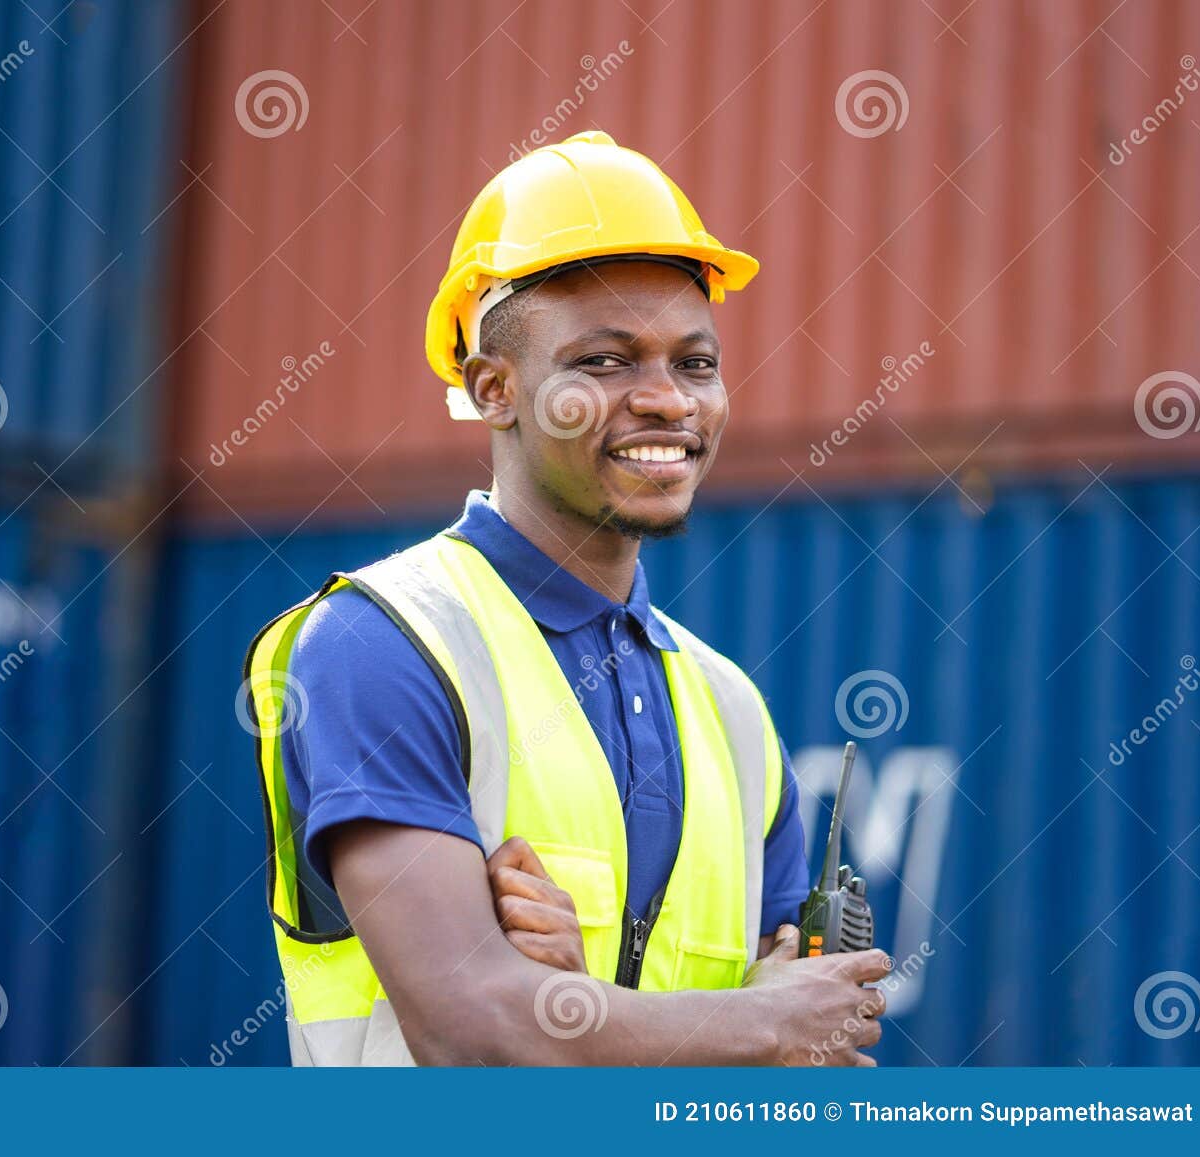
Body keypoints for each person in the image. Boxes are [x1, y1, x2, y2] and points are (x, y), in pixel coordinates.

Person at [245, 131, 889, 1066]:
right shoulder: (384, 643)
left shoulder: (734, 715)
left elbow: (811, 1064)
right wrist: (754, 1023)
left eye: (695, 363)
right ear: (494, 387)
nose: (668, 400)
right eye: (605, 362)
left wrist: (573, 1001)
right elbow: (471, 1030)